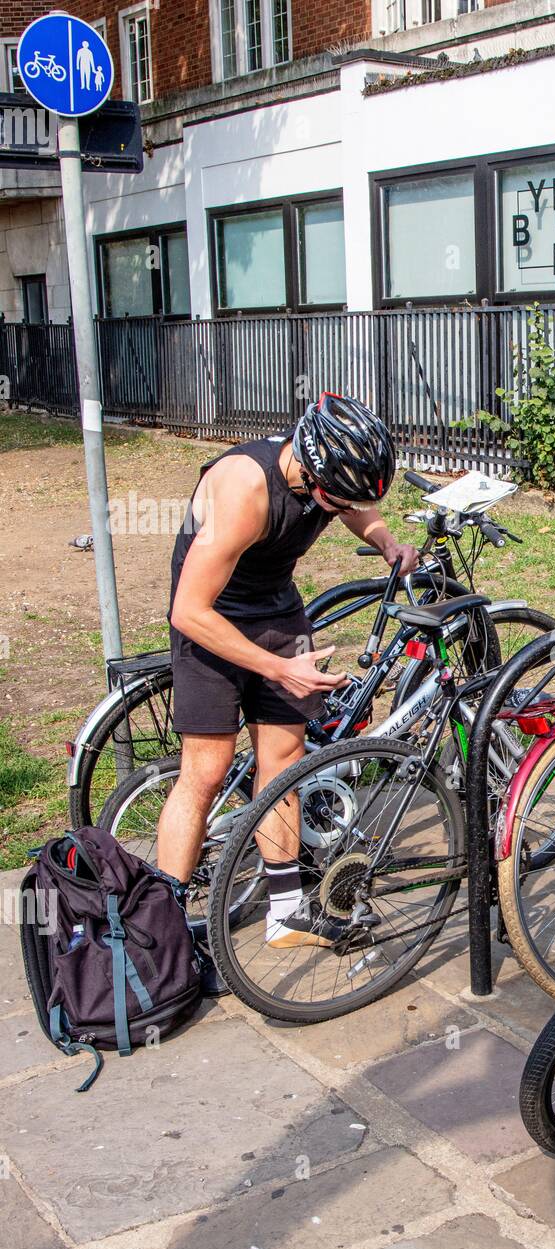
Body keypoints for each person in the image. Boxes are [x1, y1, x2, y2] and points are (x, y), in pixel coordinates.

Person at [157, 395, 417, 984]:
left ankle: (285, 911)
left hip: (278, 611)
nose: (346, 510)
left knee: (284, 760)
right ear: (310, 468)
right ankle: (166, 929)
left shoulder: (331, 477)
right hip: (212, 621)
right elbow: (188, 610)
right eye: (338, 500)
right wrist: (278, 670)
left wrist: (384, 540)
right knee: (205, 770)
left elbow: (359, 507)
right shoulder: (244, 488)